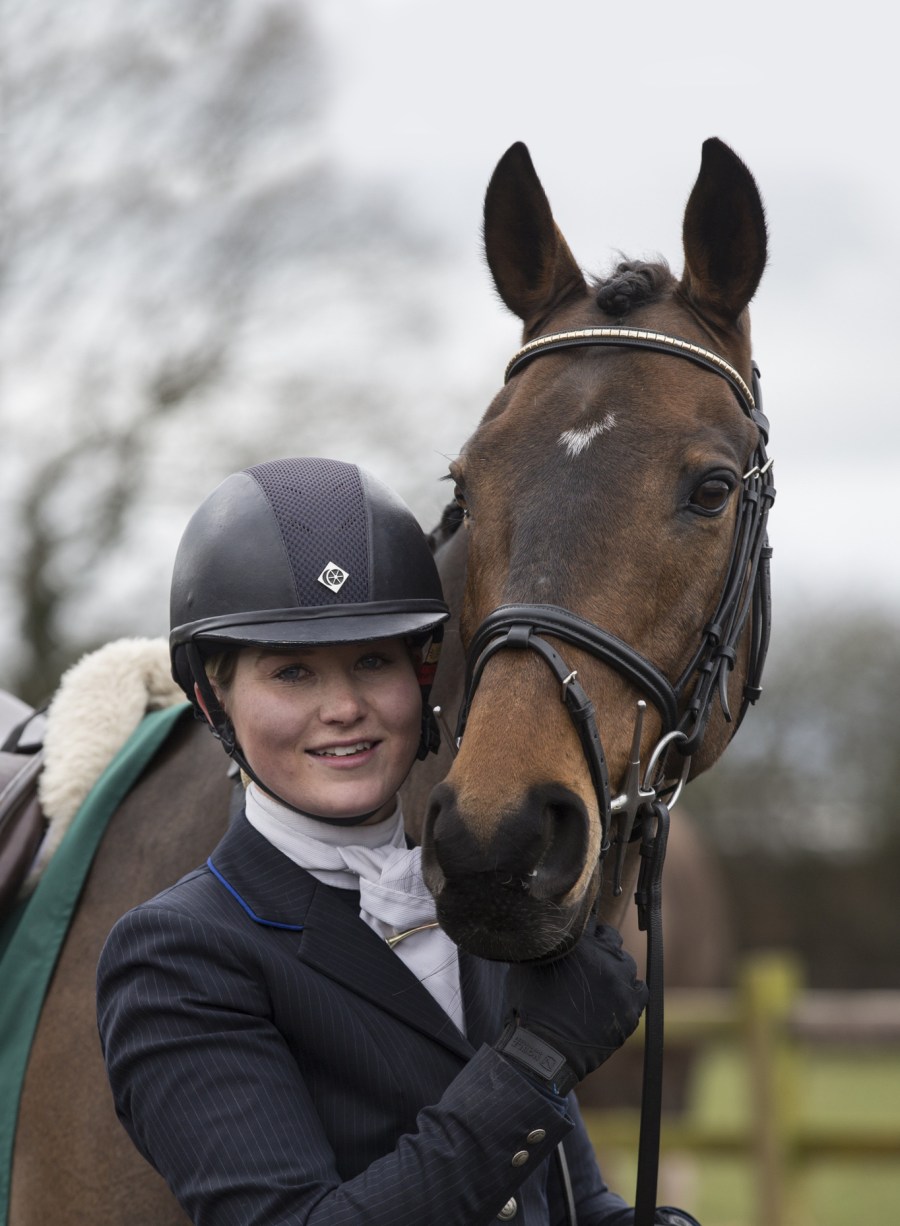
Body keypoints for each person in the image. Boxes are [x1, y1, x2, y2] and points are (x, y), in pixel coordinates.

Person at [96, 455, 700, 1226]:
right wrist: (538, 1058)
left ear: (421, 679)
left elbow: (569, 1204)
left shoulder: (478, 899)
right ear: (214, 699)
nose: (344, 706)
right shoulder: (174, 958)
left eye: (373, 661)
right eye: (292, 673)